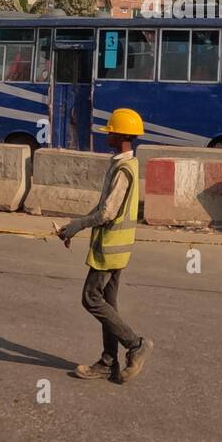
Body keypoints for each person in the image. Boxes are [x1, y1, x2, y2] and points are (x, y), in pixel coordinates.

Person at [54, 107, 154, 383]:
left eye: (110, 131)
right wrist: (76, 224)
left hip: (109, 247)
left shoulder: (124, 169)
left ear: (121, 135)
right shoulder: (125, 164)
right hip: (118, 247)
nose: (106, 135)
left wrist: (79, 225)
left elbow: (107, 213)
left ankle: (135, 344)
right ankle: (108, 362)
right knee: (108, 303)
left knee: (91, 299)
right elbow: (103, 206)